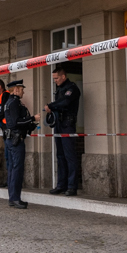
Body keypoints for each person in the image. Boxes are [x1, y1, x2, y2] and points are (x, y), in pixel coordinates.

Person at [45, 65, 82, 196]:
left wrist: (51, 106)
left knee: (69, 156)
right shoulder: (59, 89)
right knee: (60, 155)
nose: (55, 80)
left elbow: (65, 103)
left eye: (56, 78)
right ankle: (61, 185)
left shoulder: (72, 88)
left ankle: (72, 186)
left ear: (63, 76)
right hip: (59, 124)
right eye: (54, 78)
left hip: (67, 124)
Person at [2, 80, 34, 208]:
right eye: (21, 89)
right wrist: (32, 119)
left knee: (12, 168)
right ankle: (15, 198)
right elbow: (16, 122)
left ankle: (13, 198)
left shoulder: (11, 102)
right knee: (17, 169)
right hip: (16, 139)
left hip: (12, 139)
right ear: (15, 90)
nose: (23, 91)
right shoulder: (14, 102)